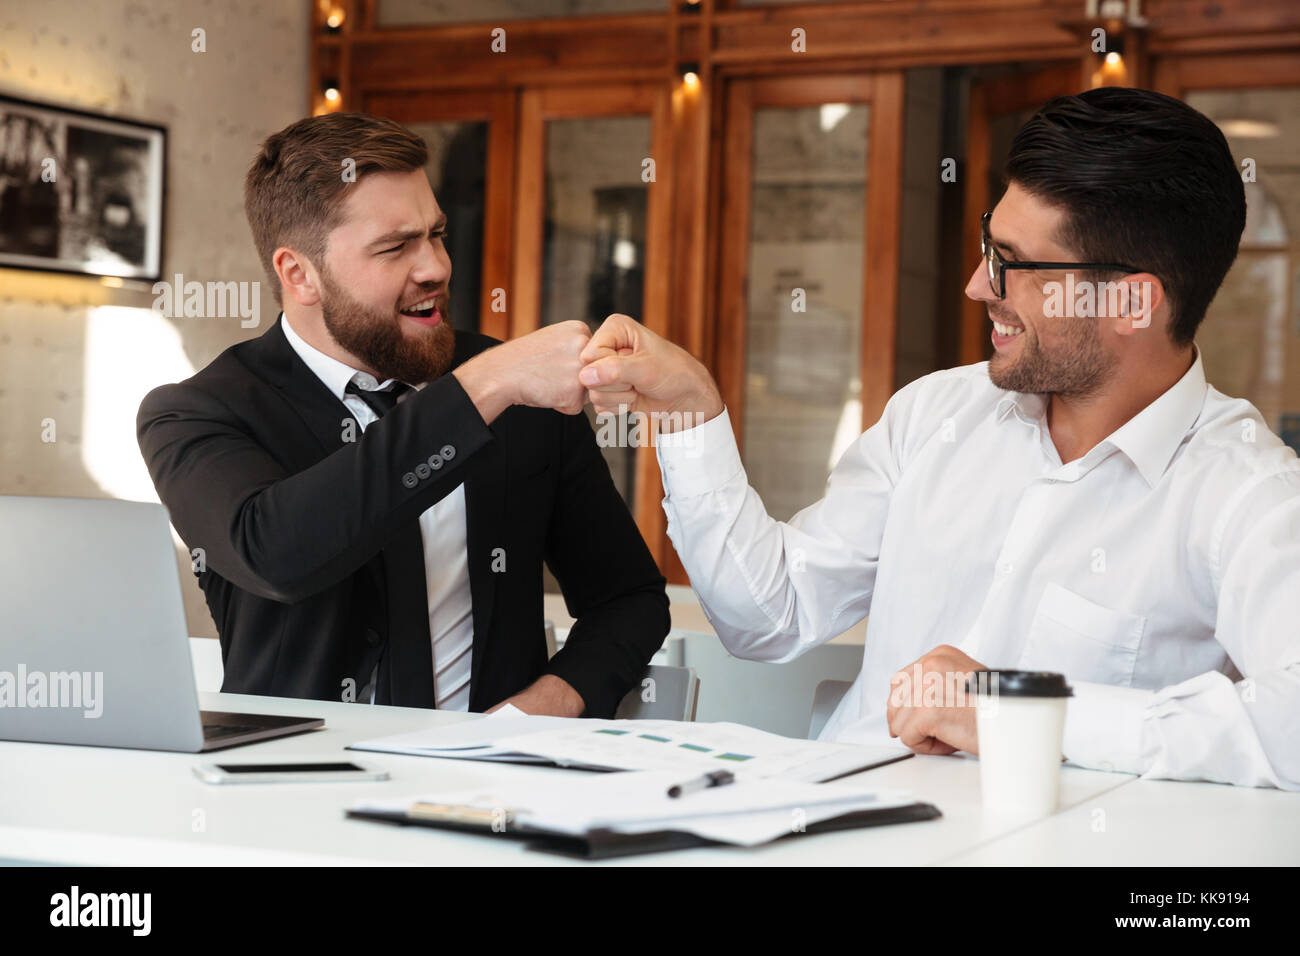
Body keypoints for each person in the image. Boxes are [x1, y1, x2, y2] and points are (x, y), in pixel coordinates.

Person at [578, 88, 1300, 788]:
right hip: (833, 833)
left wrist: (1023, 711)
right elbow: (771, 618)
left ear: (1131, 301)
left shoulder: (1245, 491)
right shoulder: (935, 414)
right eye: (991, 246)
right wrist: (691, 416)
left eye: (1014, 264)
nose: (978, 285)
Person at [137, 112, 668, 717]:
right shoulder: (195, 413)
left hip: (493, 793)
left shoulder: (523, 389)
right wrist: (483, 387)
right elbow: (278, 553)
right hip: (289, 793)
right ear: (299, 274)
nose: (436, 267)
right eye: (395, 247)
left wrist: (541, 710)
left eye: (436, 234)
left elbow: (629, 598)